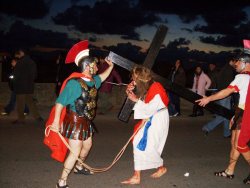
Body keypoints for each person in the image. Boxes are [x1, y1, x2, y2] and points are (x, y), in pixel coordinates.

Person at [47, 40, 114, 188]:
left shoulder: (92, 81)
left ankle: (78, 167)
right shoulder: (74, 83)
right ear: (88, 66)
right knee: (75, 151)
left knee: (88, 145)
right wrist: (56, 122)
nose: (97, 67)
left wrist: (111, 67)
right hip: (75, 121)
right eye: (95, 64)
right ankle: (61, 181)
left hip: (86, 121)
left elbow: (102, 77)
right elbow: (60, 103)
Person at [196, 47, 250, 184]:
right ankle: (229, 171)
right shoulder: (246, 77)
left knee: (240, 145)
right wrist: (235, 116)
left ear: (245, 62)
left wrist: (208, 98)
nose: (235, 64)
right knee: (234, 143)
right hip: (242, 111)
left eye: (238, 62)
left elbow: (227, 91)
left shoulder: (243, 76)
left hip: (246, 113)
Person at [121, 65, 169, 185]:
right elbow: (142, 99)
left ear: (140, 78)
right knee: (145, 144)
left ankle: (140, 175)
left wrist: (136, 100)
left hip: (157, 118)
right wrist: (129, 90)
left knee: (141, 143)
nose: (134, 81)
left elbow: (149, 107)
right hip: (153, 116)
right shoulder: (148, 85)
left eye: (135, 79)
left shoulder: (156, 88)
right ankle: (159, 168)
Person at [202, 59, 235, 137]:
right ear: (231, 61)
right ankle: (207, 127)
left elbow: (219, 82)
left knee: (226, 114)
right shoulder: (229, 70)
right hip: (225, 95)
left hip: (221, 94)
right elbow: (230, 85)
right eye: (235, 62)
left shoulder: (224, 69)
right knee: (225, 115)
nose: (236, 64)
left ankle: (227, 133)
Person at [13, 49, 43, 124]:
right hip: (29, 87)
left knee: (20, 104)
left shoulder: (19, 63)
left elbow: (16, 76)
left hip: (20, 87)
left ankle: (21, 119)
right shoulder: (32, 62)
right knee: (31, 103)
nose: (18, 56)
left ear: (22, 53)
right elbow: (35, 75)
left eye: (18, 54)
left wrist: (14, 84)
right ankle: (37, 117)